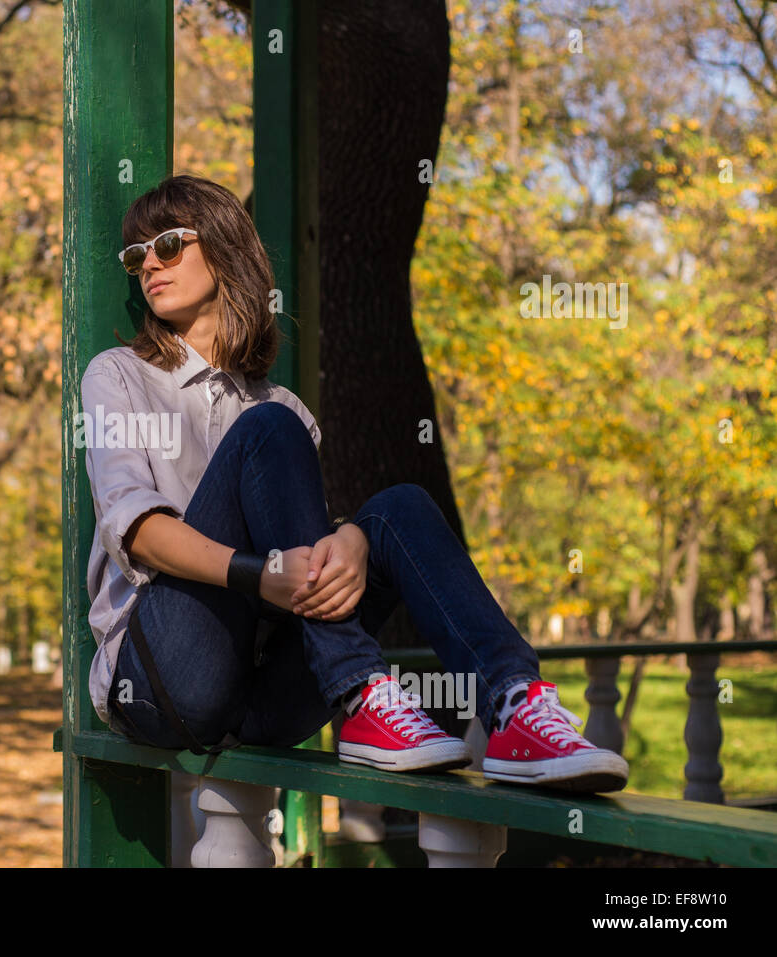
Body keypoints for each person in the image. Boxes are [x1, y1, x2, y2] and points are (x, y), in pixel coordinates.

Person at [79, 174, 628, 793]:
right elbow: (140, 532)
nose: (148, 262)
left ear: (226, 245)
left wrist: (353, 542)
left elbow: (306, 543)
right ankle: (363, 692)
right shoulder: (118, 376)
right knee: (270, 429)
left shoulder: (283, 407)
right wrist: (257, 574)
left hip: (266, 699)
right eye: (137, 254)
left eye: (170, 243)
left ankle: (513, 704)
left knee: (400, 508)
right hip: (168, 681)